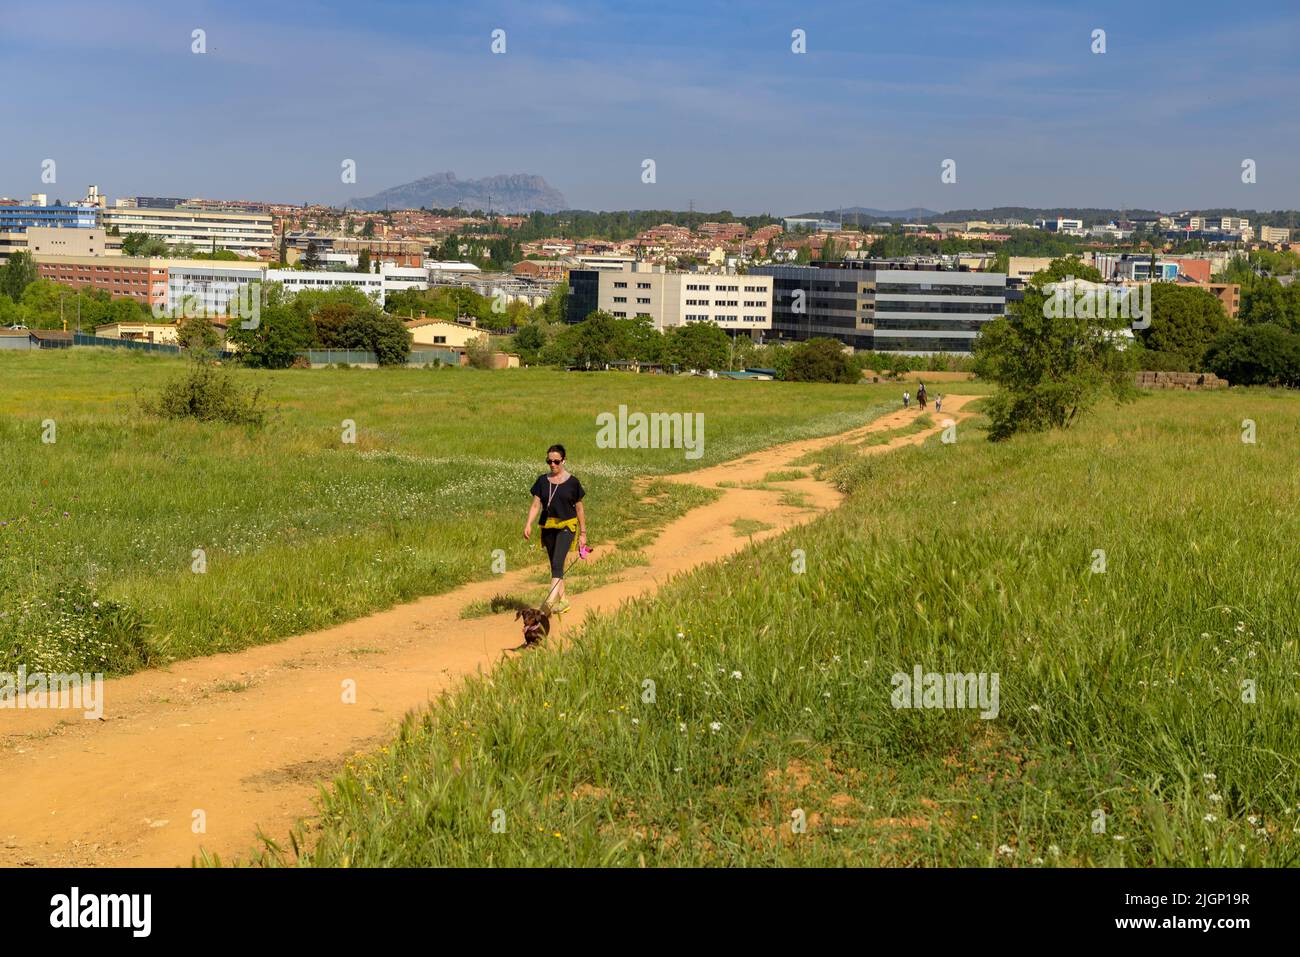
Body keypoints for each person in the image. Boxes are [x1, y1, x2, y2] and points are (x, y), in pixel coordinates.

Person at [524, 444, 586, 614]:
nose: (552, 464)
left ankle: (549, 603)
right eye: (549, 461)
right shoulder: (542, 481)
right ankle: (563, 600)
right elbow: (536, 505)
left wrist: (583, 533)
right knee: (555, 566)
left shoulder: (573, 482)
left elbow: (579, 508)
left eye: (556, 461)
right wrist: (529, 523)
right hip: (548, 525)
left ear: (564, 461)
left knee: (558, 562)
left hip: (567, 526)